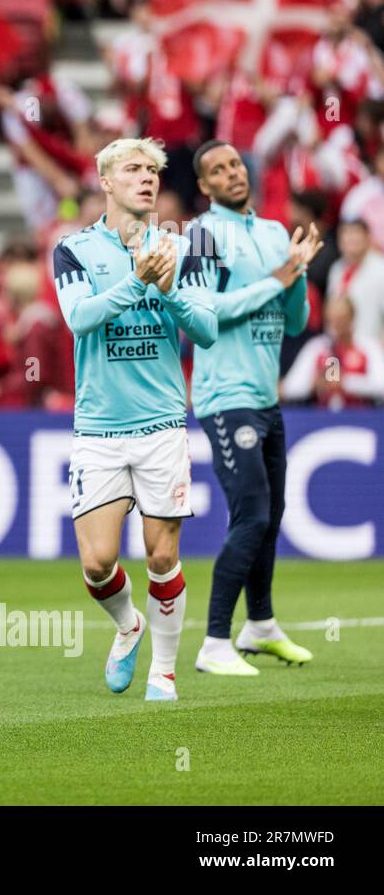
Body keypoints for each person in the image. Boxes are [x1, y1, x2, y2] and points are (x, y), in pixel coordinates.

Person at [52, 137, 217, 702]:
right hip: (99, 428)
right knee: (98, 564)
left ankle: (164, 673)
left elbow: (207, 329)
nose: (146, 177)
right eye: (132, 169)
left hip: (163, 423)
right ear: (106, 181)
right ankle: (128, 624)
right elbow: (80, 317)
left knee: (162, 554)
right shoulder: (73, 249)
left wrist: (168, 289)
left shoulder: (184, 245)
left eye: (152, 170)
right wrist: (137, 281)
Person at [188, 139, 320, 675]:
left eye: (235, 164)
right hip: (225, 397)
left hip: (266, 396)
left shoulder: (270, 233)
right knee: (252, 515)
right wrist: (274, 280)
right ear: (204, 187)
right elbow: (205, 313)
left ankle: (260, 626)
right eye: (217, 171)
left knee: (272, 516)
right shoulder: (201, 234)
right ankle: (214, 642)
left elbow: (294, 321)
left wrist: (297, 274)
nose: (231, 174)